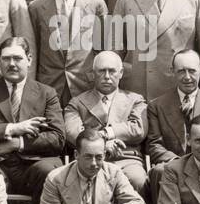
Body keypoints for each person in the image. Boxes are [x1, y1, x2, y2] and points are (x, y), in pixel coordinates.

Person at [0, 37, 65, 202]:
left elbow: (58, 138)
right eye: (6, 58)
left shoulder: (47, 93)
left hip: (35, 162)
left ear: (29, 60)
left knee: (48, 171)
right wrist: (13, 128)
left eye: (17, 58)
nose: (11, 64)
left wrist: (17, 143)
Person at [28, 0, 107, 105]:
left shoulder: (96, 5)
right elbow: (34, 51)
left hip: (86, 86)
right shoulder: (36, 7)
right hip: (49, 87)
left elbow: (104, 49)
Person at [145, 49, 200, 198]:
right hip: (173, 164)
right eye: (181, 71)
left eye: (192, 71)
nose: (187, 77)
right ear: (172, 71)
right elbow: (154, 145)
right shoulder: (157, 106)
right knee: (160, 171)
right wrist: (179, 163)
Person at [63, 51, 148, 195]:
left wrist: (106, 133)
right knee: (79, 182)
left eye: (112, 71)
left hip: (126, 159)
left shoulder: (135, 100)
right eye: (102, 71)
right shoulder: (77, 103)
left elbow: (138, 129)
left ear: (121, 73)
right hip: (89, 160)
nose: (107, 76)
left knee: (138, 179)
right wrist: (102, 145)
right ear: (93, 73)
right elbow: (72, 132)